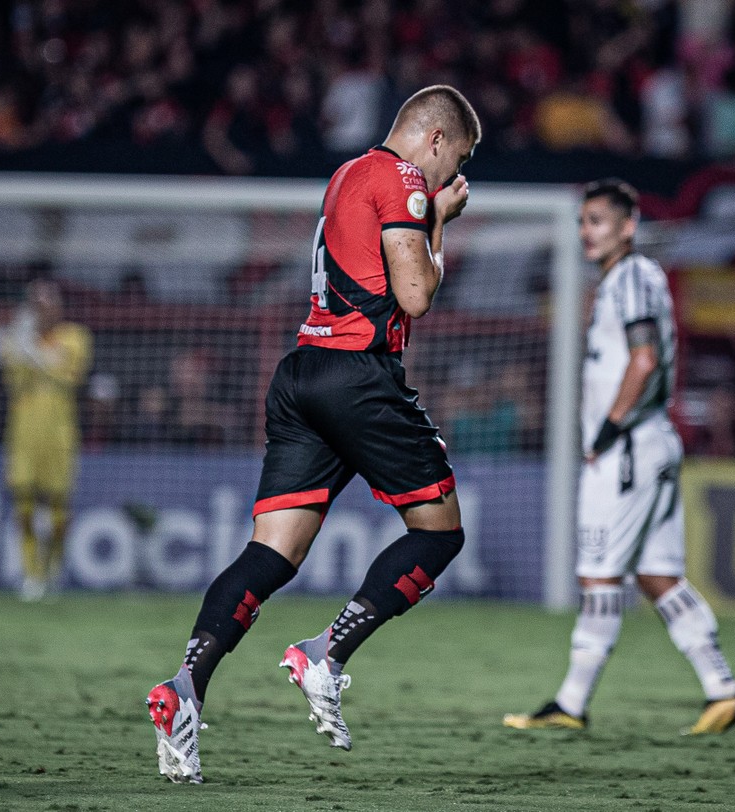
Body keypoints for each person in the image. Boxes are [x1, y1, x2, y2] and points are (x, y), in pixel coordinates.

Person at [146, 85, 480, 784]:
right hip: (358, 374)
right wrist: (440, 221)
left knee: (271, 555)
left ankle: (184, 687)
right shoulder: (407, 178)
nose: (453, 177)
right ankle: (326, 652)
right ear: (438, 140)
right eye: (460, 159)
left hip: (301, 373)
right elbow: (416, 293)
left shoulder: (348, 172)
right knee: (441, 531)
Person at [503, 179, 735, 735]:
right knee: (660, 575)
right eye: (583, 221)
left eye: (598, 220)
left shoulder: (632, 277)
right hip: (651, 443)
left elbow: (643, 360)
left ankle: (571, 702)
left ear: (628, 225)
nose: (586, 231)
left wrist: (609, 430)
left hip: (630, 449)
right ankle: (723, 690)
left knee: (599, 575)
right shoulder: (628, 281)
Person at [1, 279, 92, 601]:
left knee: (57, 507)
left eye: (47, 304)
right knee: (23, 505)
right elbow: (14, 381)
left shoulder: (75, 337)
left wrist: (33, 352)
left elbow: (70, 376)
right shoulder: (17, 340)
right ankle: (30, 575)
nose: (42, 311)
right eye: (35, 305)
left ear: (58, 307)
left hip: (60, 435)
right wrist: (21, 346)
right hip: (23, 435)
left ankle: (52, 571)